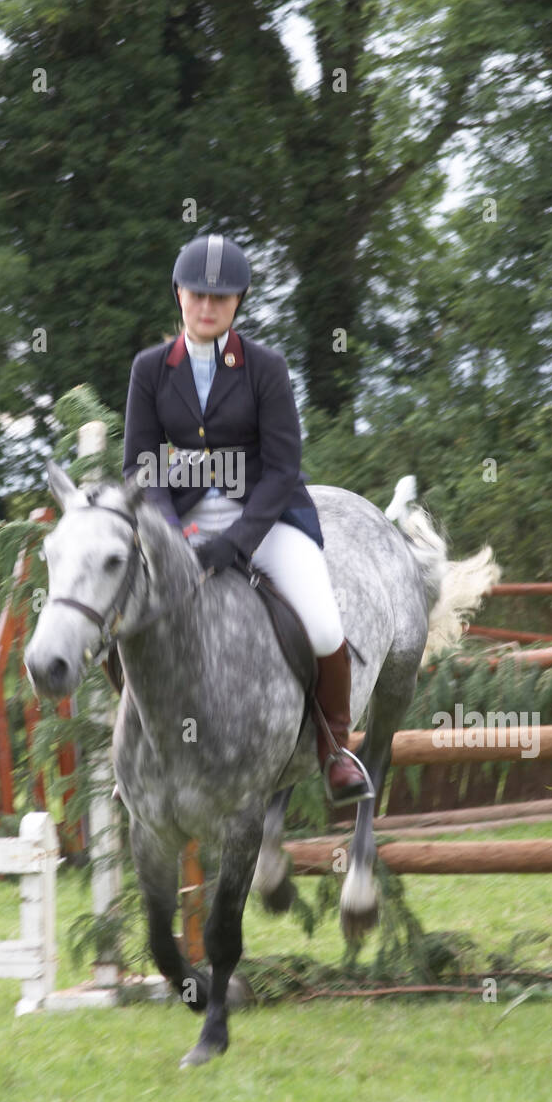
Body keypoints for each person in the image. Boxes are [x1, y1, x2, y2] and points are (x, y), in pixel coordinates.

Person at [122, 232, 370, 807]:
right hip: (179, 521)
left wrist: (235, 543)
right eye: (197, 295)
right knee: (125, 616)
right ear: (178, 294)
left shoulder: (265, 367)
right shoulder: (149, 369)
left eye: (221, 298)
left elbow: (283, 469)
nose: (207, 307)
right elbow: (141, 465)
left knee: (325, 624)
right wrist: (169, 536)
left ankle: (335, 749)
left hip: (268, 518)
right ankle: (139, 749)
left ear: (238, 303)